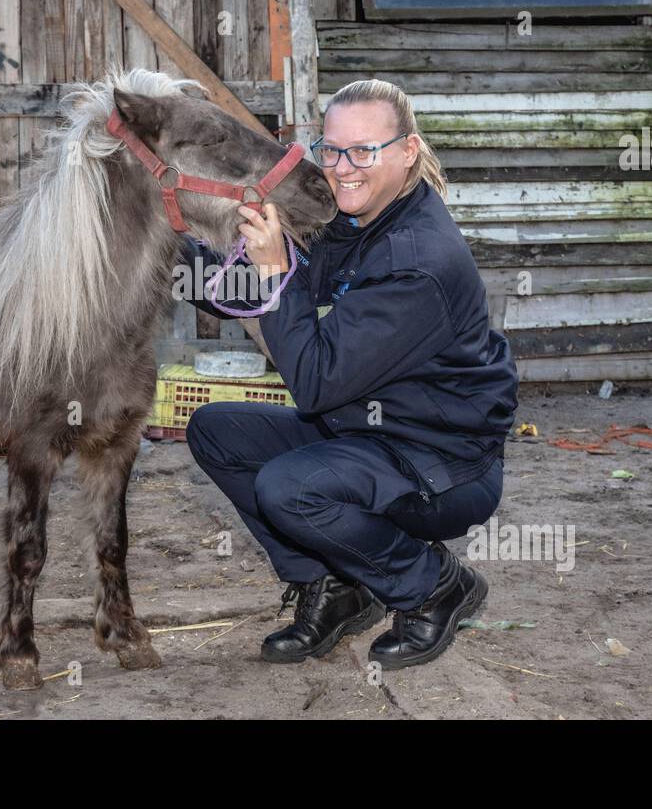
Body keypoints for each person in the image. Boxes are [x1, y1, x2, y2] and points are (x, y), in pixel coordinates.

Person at [178, 78, 519, 670]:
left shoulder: (417, 262)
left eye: (364, 150)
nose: (341, 167)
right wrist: (165, 251)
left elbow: (314, 380)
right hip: (367, 430)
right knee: (216, 431)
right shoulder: (356, 221)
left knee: (290, 487)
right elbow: (260, 290)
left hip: (442, 462)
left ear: (407, 151)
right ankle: (333, 588)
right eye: (330, 150)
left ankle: (434, 586)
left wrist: (272, 272)